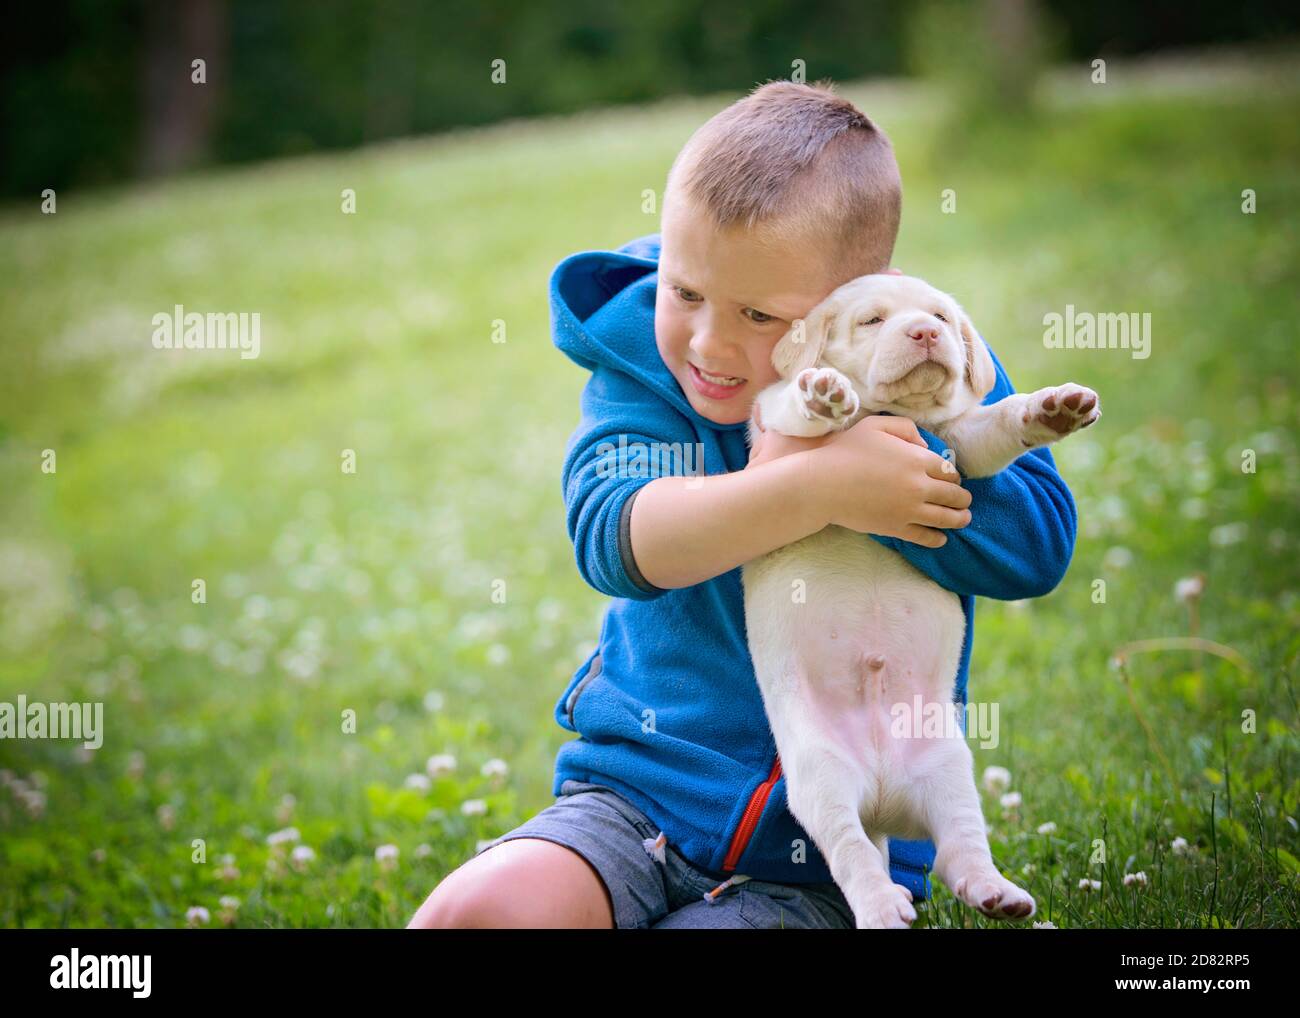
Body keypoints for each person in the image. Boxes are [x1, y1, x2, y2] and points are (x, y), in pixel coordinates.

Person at [408, 79, 1076, 929]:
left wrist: (911, 462)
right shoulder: (645, 372)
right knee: (471, 915)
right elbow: (618, 536)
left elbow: (1039, 544)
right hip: (638, 798)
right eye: (684, 292)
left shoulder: (922, 355)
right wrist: (818, 485)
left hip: (828, 862)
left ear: (855, 300)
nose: (709, 344)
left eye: (760, 315)